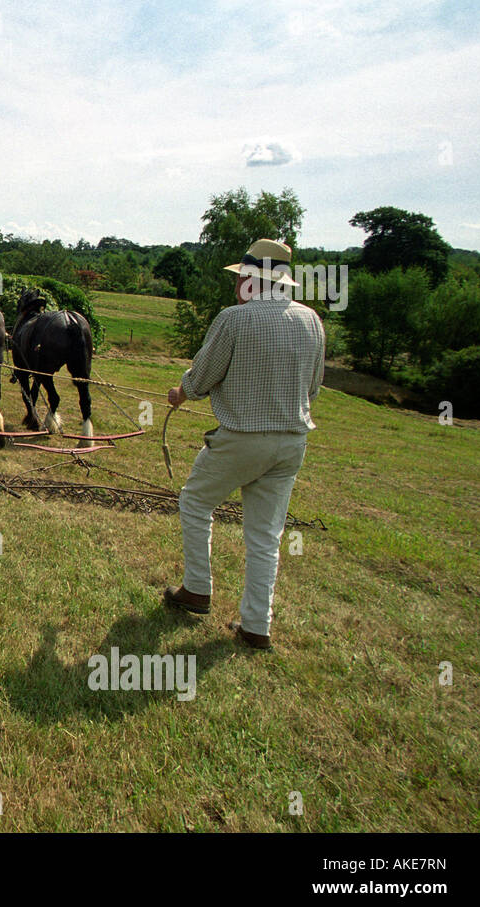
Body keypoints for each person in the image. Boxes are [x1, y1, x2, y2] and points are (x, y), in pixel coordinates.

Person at [162, 239, 325, 650]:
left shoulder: (233, 319)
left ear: (253, 279)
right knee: (266, 536)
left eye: (241, 277)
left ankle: (197, 589)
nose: (237, 284)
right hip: (292, 443)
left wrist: (179, 392)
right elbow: (313, 388)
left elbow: (200, 380)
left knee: (195, 502)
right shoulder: (313, 322)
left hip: (242, 440)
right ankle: (256, 627)